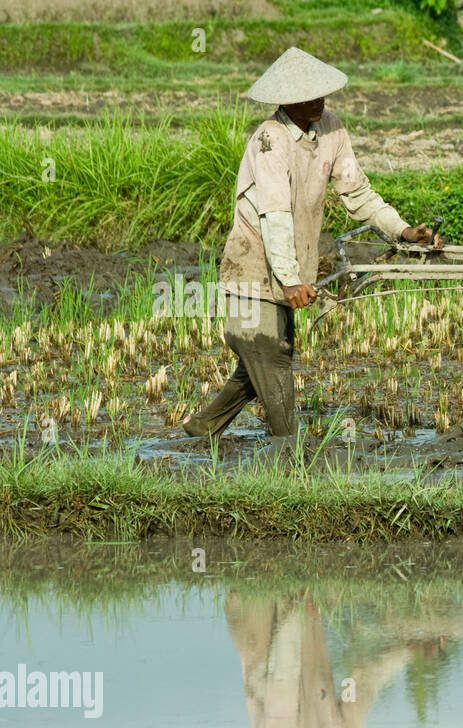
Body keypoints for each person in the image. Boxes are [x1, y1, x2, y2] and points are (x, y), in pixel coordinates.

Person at [183, 47, 441, 441]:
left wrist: (403, 231)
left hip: (288, 271)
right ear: (285, 99)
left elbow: (358, 194)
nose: (319, 100)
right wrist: (288, 279)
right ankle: (291, 455)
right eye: (308, 94)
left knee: (261, 364)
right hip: (252, 270)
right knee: (270, 359)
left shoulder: (332, 129)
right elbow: (275, 215)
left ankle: (202, 427)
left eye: (321, 92)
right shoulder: (270, 141)